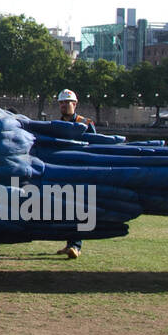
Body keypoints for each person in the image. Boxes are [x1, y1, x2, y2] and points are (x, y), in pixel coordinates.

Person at [54, 88, 95, 260]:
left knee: (79, 209)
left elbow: (95, 147)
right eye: (61, 102)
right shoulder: (56, 125)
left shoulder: (85, 123)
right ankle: (69, 243)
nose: (64, 105)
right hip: (63, 172)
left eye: (67, 102)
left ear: (75, 104)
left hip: (81, 172)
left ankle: (76, 246)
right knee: (65, 210)